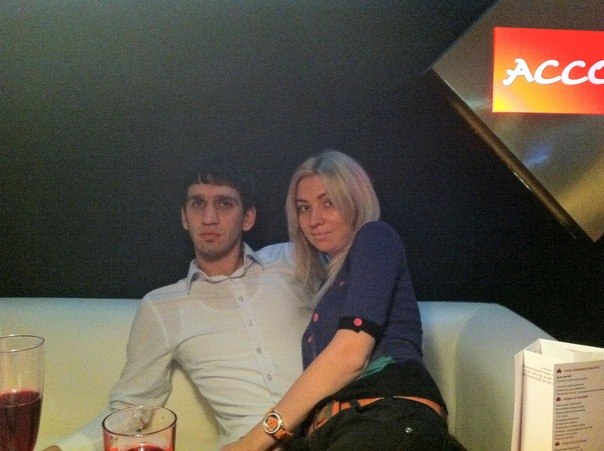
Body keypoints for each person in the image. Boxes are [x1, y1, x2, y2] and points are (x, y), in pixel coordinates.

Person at [45, 160, 312, 450]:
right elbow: (132, 407)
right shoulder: (162, 307)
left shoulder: (291, 261)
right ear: (185, 217)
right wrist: (62, 448)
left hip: (332, 428)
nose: (209, 218)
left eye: (224, 204)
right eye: (197, 204)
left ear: (247, 218)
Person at [223, 150, 463, 450]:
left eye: (328, 203)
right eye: (304, 208)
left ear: (355, 202)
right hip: (335, 431)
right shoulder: (329, 286)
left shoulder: (376, 238)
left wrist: (252, 442)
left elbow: (349, 356)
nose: (314, 220)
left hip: (385, 418)